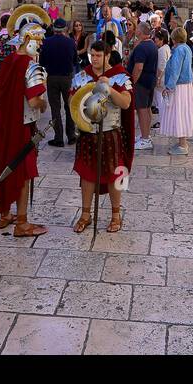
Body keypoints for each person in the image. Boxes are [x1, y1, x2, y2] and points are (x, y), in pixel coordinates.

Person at [0, 16, 49, 237]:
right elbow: (33, 102)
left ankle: (5, 214)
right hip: (22, 126)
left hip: (2, 123)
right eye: (38, 41)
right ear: (28, 39)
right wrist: (44, 101)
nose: (40, 46)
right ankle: (21, 223)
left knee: (5, 163)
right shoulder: (31, 66)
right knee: (22, 171)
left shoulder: (9, 61)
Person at [72, 39, 134, 234]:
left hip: (111, 132)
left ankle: (116, 215)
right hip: (88, 132)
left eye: (99, 55)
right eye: (93, 55)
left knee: (116, 174)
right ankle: (85, 214)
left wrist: (109, 88)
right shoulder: (83, 76)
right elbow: (72, 102)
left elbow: (125, 103)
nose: (95, 59)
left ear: (108, 55)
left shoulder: (120, 76)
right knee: (87, 174)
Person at [41, 19, 77, 147]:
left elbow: (42, 61)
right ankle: (71, 135)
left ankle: (58, 138)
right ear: (64, 30)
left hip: (52, 78)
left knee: (55, 108)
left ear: (54, 29)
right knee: (69, 107)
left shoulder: (46, 42)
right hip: (67, 78)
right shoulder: (70, 42)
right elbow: (74, 61)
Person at [159, 27, 193, 155]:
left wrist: (168, 87)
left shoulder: (179, 50)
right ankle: (182, 142)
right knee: (183, 112)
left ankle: (183, 144)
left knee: (179, 113)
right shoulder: (186, 48)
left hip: (179, 86)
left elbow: (175, 71)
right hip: (184, 85)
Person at [128, 21, 158, 151]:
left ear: (139, 31)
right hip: (149, 80)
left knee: (142, 110)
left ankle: (145, 139)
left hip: (141, 82)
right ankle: (146, 135)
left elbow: (138, 67)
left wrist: (132, 82)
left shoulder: (142, 47)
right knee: (147, 108)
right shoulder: (152, 45)